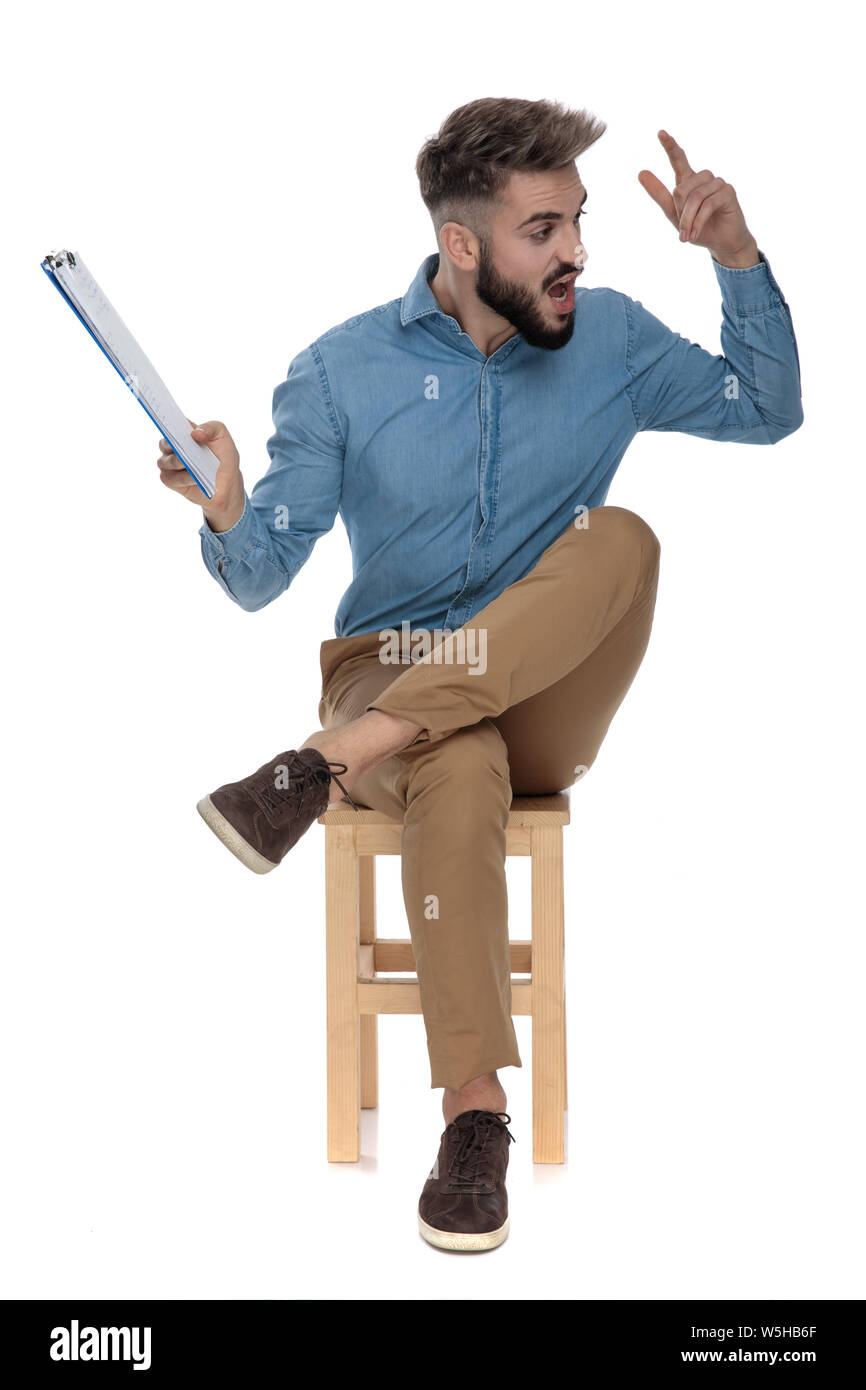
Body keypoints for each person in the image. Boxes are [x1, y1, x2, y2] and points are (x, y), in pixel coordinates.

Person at [157, 97, 803, 1253]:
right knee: (450, 757)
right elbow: (259, 576)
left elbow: (766, 410)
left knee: (625, 538)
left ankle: (321, 767)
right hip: (392, 667)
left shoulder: (609, 338)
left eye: (576, 224)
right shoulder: (340, 369)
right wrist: (224, 504)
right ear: (462, 246)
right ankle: (473, 1119)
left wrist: (737, 259)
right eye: (542, 230)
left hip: (542, 690)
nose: (575, 255)